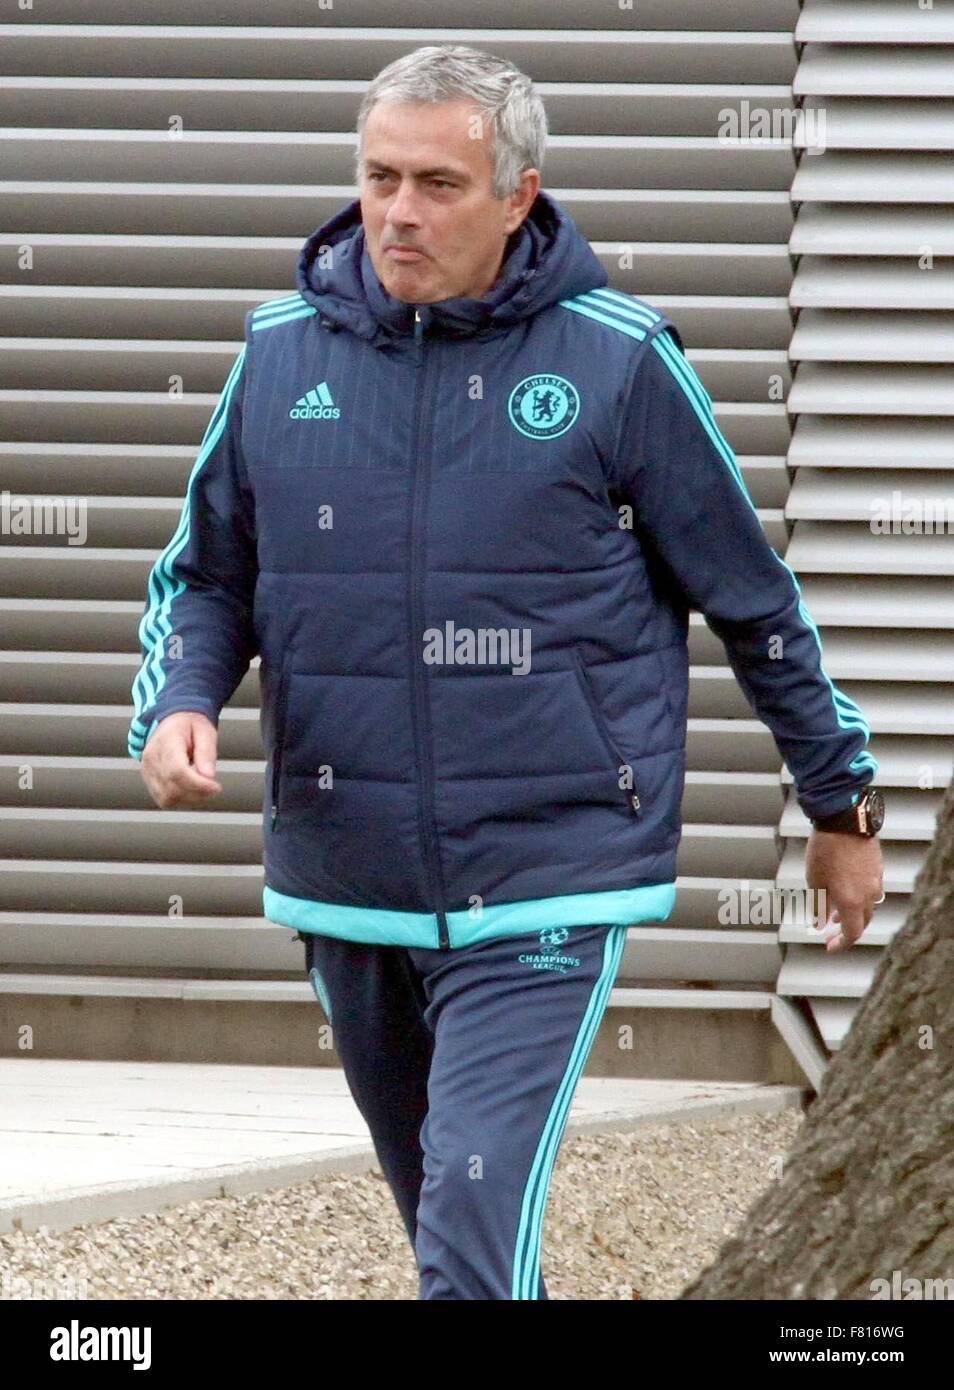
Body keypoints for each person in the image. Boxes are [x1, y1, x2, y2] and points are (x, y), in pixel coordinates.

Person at [127, 44, 885, 1299]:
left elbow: (754, 601)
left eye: (438, 182)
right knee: (444, 1216)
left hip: (546, 873)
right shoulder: (279, 355)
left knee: (470, 1240)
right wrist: (183, 702)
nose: (400, 211)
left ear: (519, 194)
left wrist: (840, 800)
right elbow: (206, 575)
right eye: (379, 177)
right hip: (346, 872)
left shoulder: (620, 359)